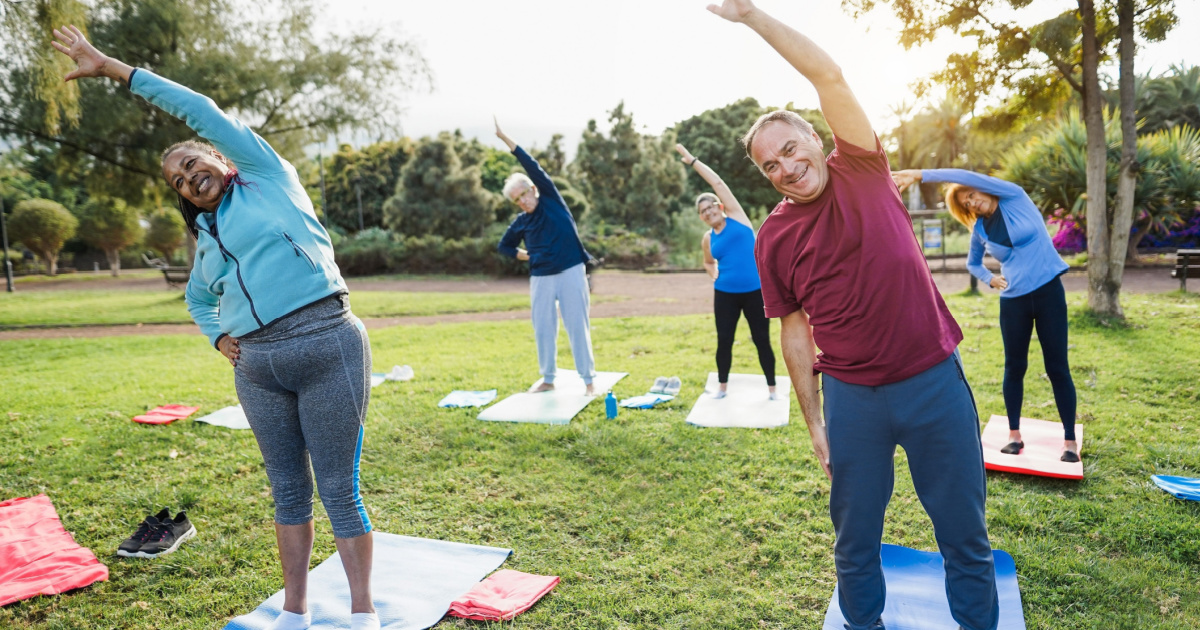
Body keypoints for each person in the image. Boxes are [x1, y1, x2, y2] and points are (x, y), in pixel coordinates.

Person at [52, 26, 379, 630]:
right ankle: (295, 612)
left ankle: (362, 615)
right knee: (287, 493)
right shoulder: (206, 237)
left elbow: (196, 108)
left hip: (326, 344)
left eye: (191, 162)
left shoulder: (267, 177)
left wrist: (113, 69)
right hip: (257, 369)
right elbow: (198, 299)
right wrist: (218, 337)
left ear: (221, 158)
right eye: (178, 181)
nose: (187, 177)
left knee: (339, 489)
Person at [707, 2, 999, 629]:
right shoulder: (774, 237)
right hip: (851, 400)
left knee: (964, 539)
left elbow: (829, 77)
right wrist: (814, 421)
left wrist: (751, 16)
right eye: (771, 166)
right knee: (855, 545)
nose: (787, 168)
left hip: (932, 383)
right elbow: (791, 328)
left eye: (790, 149)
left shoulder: (862, 169)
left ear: (815, 136)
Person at [892, 168, 1078, 462]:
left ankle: (1069, 441)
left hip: (1049, 294)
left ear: (983, 188)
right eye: (966, 203)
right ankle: (1014, 435)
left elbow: (961, 173)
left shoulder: (1013, 197)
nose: (972, 203)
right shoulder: (980, 229)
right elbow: (973, 263)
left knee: (1057, 367)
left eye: (972, 195)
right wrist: (990, 278)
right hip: (1013, 301)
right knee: (1014, 367)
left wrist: (918, 174)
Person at [494, 117, 597, 396]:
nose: (523, 201)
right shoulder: (521, 222)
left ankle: (589, 381)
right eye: (517, 200)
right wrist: (524, 255)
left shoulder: (550, 198)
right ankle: (548, 379)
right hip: (541, 277)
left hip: (570, 271)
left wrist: (506, 140)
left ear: (534, 189)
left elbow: (532, 165)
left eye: (524, 194)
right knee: (543, 328)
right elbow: (503, 247)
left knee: (577, 325)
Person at [674, 143, 778, 400]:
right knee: (725, 341)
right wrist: (713, 274)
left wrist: (693, 161)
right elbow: (709, 263)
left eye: (711, 207)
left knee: (761, 340)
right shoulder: (708, 238)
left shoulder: (738, 218)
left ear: (720, 207)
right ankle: (722, 388)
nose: (708, 212)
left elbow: (718, 183)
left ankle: (773, 390)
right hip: (725, 295)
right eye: (703, 211)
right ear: (701, 217)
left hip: (755, 292)